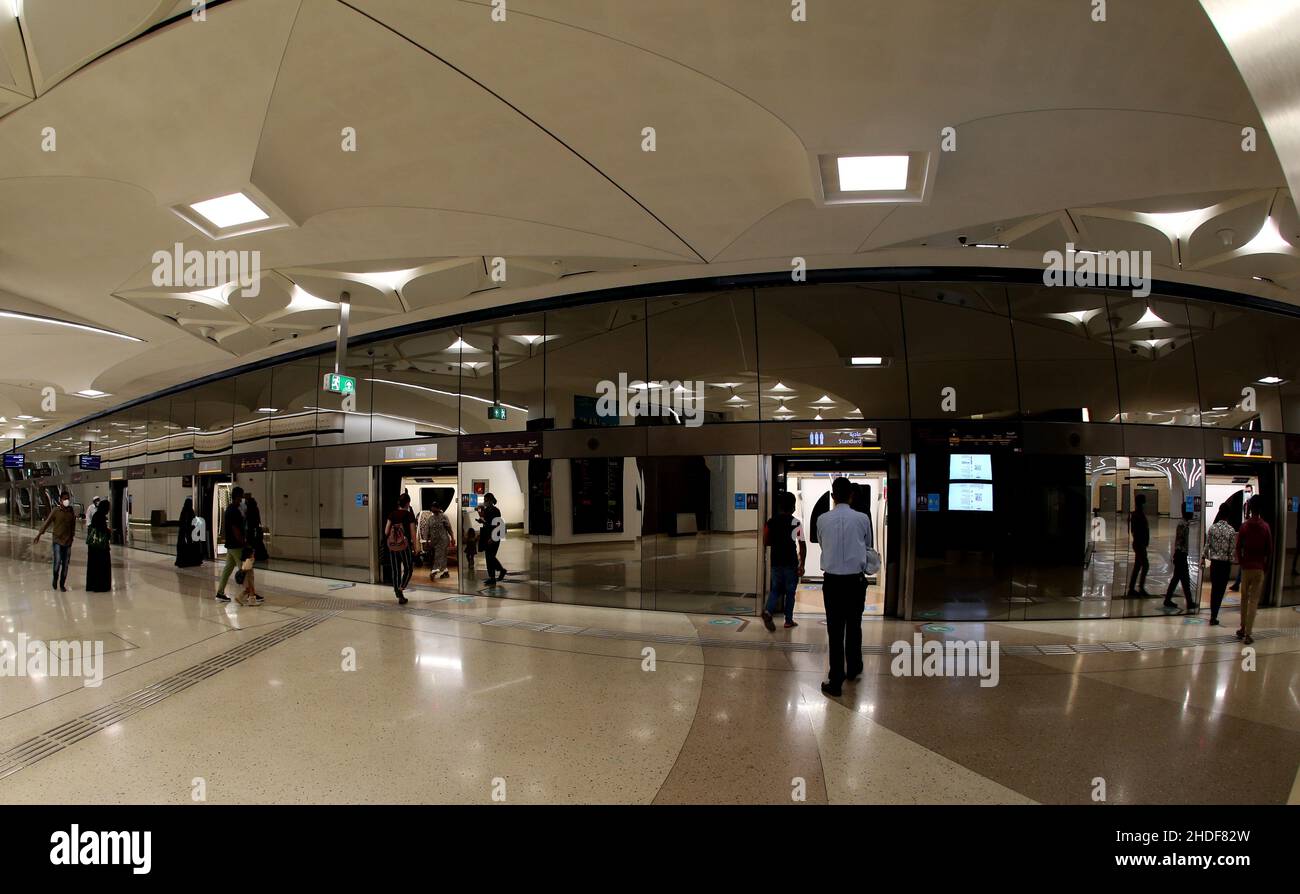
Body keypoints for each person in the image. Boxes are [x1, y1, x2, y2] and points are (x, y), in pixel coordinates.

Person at [816, 477, 875, 698]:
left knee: (835, 629)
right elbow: (868, 546)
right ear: (851, 495)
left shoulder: (822, 519)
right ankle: (854, 667)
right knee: (854, 625)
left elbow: (823, 543)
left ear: (832, 496)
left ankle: (836, 679)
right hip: (855, 582)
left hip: (832, 582)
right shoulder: (862, 518)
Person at [762, 490, 806, 631]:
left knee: (775, 589)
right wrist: (802, 564)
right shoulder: (796, 523)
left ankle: (768, 611)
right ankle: (788, 620)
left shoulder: (771, 522)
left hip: (776, 562)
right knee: (790, 592)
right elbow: (802, 544)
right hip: (790, 562)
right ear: (793, 507)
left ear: (780, 506)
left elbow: (766, 541)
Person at [1235, 494, 1272, 646]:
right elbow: (1269, 550)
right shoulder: (1265, 527)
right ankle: (1248, 633)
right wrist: (1265, 566)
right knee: (1253, 601)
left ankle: (1242, 627)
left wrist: (1242, 562)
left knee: (1244, 599)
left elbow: (1238, 547)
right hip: (1259, 568)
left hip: (1246, 568)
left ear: (1250, 508)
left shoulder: (1244, 526)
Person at [33, 490, 77, 592]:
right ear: (60, 500)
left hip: (68, 542)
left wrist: (72, 536)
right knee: (57, 562)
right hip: (57, 540)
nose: (67, 501)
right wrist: (39, 534)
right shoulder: (56, 511)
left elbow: (73, 525)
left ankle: (62, 584)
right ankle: (55, 578)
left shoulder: (71, 511)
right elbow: (47, 522)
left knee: (65, 564)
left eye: (68, 499)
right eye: (65, 499)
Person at [1203, 505, 1237, 627]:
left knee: (1214, 589)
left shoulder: (1212, 528)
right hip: (1225, 565)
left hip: (1215, 564)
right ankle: (1215, 614)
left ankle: (1212, 615)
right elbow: (1232, 551)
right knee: (1221, 590)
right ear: (1228, 515)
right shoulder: (1231, 530)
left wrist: (1206, 558)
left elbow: (1207, 548)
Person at [215, 487, 247, 603]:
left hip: (231, 545)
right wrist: (242, 542)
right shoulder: (233, 511)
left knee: (228, 569)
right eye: (241, 496)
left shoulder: (230, 509)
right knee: (245, 569)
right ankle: (250, 593)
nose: (242, 499)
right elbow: (235, 529)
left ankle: (220, 592)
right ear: (237, 496)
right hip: (236, 545)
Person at [384, 492, 417, 604]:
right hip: (404, 546)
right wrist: (416, 547)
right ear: (407, 503)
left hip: (392, 547)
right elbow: (413, 533)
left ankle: (399, 595)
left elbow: (386, 531)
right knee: (408, 569)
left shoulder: (392, 514)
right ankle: (401, 588)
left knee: (396, 570)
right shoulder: (409, 515)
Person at [1164, 509, 1196, 612]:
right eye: (1190, 512)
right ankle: (1189, 602)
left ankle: (1169, 599)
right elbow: (1180, 541)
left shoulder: (1184, 523)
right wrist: (1178, 555)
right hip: (1181, 555)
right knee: (1184, 579)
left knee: (1178, 578)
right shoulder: (1183, 525)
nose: (1192, 513)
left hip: (1180, 555)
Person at [237, 496, 266, 606]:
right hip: (250, 548)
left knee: (248, 571)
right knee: (249, 573)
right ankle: (251, 598)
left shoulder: (247, 514)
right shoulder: (253, 514)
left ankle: (247, 596)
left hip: (247, 546)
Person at [1125, 494, 1151, 597]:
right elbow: (1134, 530)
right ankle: (1140, 588)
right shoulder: (1136, 515)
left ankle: (1132, 589)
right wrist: (1141, 541)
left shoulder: (1139, 513)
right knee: (1145, 565)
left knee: (1137, 566)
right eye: (1143, 502)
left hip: (1141, 544)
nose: (1145, 504)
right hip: (1139, 544)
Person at [479, 492, 507, 585]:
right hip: (487, 535)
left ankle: (498, 572)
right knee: (489, 557)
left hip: (494, 535)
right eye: (484, 500)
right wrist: (480, 516)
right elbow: (484, 519)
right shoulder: (487, 510)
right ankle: (493, 576)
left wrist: (492, 537)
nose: (485, 502)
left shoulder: (495, 510)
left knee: (490, 557)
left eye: (486, 500)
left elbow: (497, 524)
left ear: (491, 500)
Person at [85, 500, 113, 592]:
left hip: (94, 547)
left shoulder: (97, 515)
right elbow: (103, 531)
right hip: (100, 547)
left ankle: (93, 585)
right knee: (101, 566)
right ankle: (101, 585)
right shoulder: (101, 516)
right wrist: (109, 531)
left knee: (94, 566)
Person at [426, 503, 455, 579]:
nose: (432, 509)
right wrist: (426, 541)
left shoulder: (444, 517)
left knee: (439, 555)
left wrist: (452, 538)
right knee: (442, 556)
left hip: (443, 540)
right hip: (434, 541)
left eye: (434, 507)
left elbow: (449, 528)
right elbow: (428, 531)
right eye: (432, 507)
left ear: (438, 508)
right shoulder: (430, 518)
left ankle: (435, 570)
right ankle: (445, 572)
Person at [174, 497, 205, 568]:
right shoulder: (191, 511)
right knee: (192, 547)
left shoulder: (183, 511)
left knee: (184, 548)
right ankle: (193, 561)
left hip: (184, 534)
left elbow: (182, 523)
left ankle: (183, 562)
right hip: (190, 534)